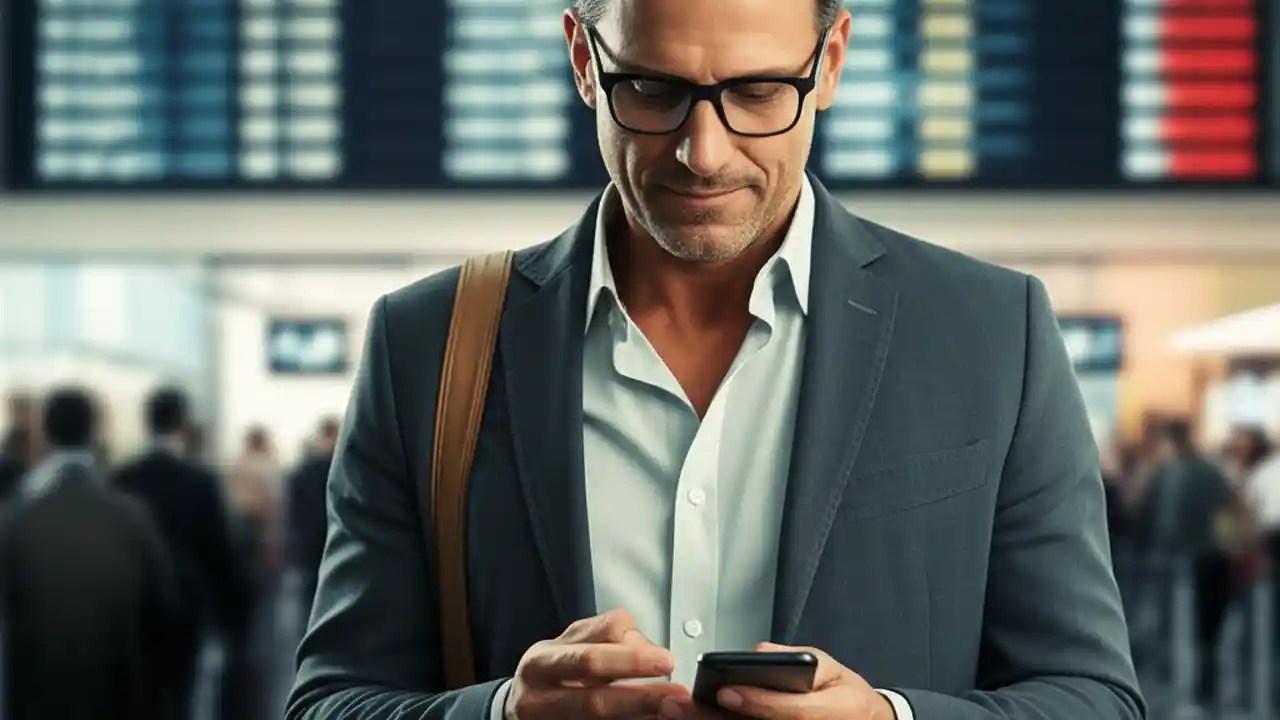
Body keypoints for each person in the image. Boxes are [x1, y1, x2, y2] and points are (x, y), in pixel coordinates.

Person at [288, 1, 1144, 719]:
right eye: (652, 90)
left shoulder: (992, 332)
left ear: (832, 59)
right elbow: (332, 701)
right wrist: (505, 710)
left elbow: (1094, 697)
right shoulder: (427, 345)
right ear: (583, 60)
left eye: (760, 91)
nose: (705, 152)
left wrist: (892, 718)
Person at [0, 388, 179, 720]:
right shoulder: (131, 518)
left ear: (45, 431)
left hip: (36, 698)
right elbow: (163, 610)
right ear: (95, 431)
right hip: (116, 697)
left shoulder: (17, 520)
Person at [113, 387, 249, 719]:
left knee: (140, 695)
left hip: (135, 604)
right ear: (181, 422)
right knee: (183, 694)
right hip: (187, 605)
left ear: (147, 420)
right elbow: (218, 552)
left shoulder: (122, 478)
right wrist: (234, 617)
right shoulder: (199, 481)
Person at [1143, 419, 1235, 708]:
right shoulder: (1204, 472)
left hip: (1186, 559)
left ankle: (1188, 682)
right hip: (1203, 557)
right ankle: (1201, 683)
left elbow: (1148, 514)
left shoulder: (1167, 473)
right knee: (1201, 629)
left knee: (1183, 624)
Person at [285, 417, 341, 625]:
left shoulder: (303, 471)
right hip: (334, 538)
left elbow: (294, 509)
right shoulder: (341, 467)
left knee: (309, 596)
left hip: (308, 541)